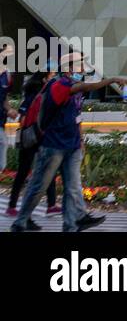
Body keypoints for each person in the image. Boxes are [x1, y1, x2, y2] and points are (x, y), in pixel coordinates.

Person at [10, 53, 127, 232]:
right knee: (39, 185)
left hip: (71, 144)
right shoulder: (59, 85)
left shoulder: (74, 88)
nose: (82, 68)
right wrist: (111, 79)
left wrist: (80, 139)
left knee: (73, 186)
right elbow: (89, 86)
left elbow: (76, 115)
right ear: (69, 67)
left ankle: (74, 221)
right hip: (53, 145)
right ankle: (21, 221)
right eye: (79, 65)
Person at [6, 70, 58, 217]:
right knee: (30, 171)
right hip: (33, 137)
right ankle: (49, 205)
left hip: (35, 136)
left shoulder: (42, 93)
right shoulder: (36, 94)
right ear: (44, 79)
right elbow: (23, 118)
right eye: (51, 77)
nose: (53, 79)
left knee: (45, 169)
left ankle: (51, 204)